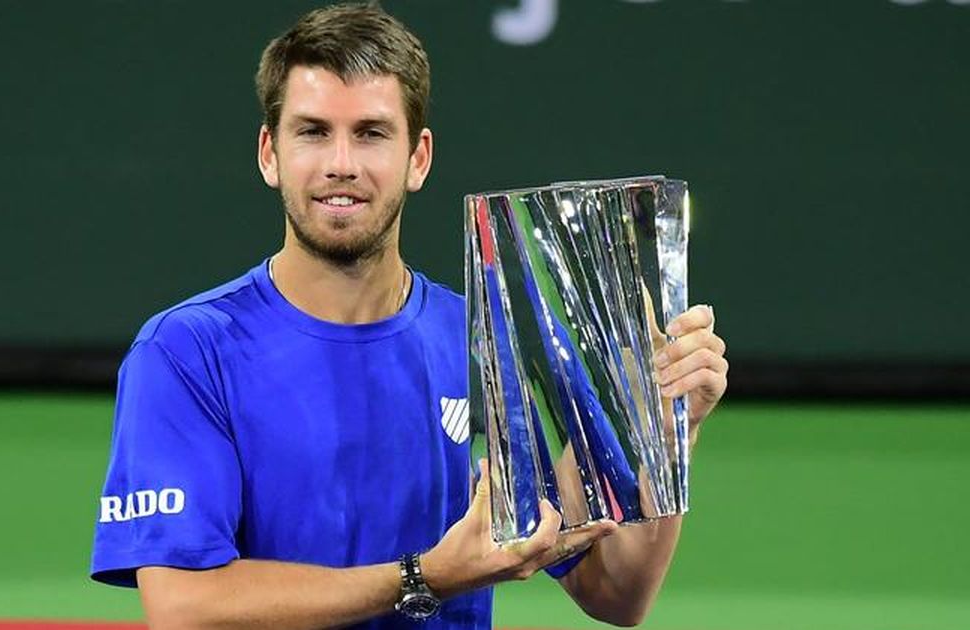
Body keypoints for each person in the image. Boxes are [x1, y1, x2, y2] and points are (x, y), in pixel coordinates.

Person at [90, 3, 729, 628]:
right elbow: (186, 609)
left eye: (370, 133)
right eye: (313, 131)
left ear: (418, 157)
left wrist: (668, 428)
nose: (341, 163)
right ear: (269, 153)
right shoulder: (185, 351)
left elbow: (615, 594)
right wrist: (426, 576)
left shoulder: (481, 337)